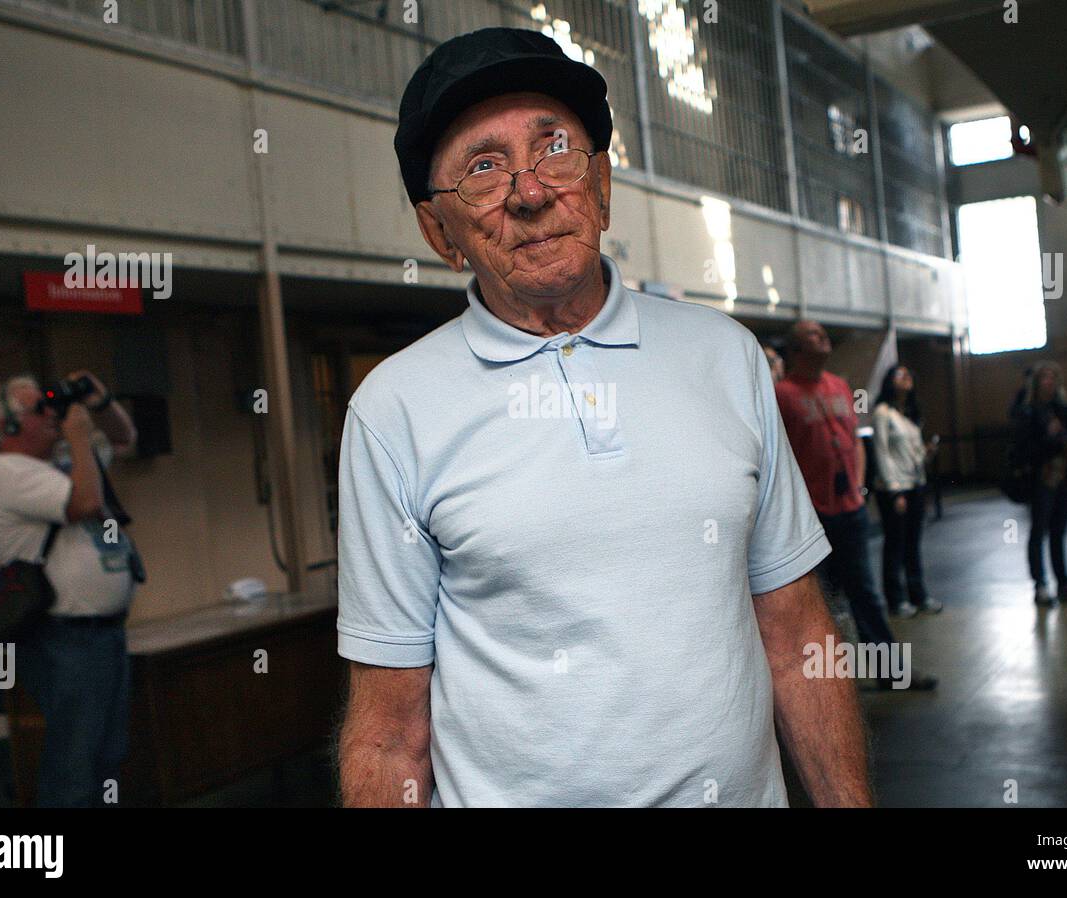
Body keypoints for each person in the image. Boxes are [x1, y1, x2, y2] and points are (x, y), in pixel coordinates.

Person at [336, 27, 874, 808]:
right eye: (483, 168)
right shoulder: (394, 412)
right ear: (438, 232)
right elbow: (388, 736)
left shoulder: (725, 358)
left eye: (554, 147)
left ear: (602, 182)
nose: (529, 191)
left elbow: (797, 642)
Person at [0, 372, 139, 806]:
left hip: (101, 634)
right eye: (38, 409)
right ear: (9, 426)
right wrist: (80, 438)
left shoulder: (63, 460)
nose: (52, 413)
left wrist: (100, 400)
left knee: (107, 756)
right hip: (62, 639)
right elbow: (85, 502)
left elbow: (125, 439)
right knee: (74, 765)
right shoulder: (8, 472)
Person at [774, 320, 937, 690]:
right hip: (814, 516)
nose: (824, 337)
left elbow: (856, 440)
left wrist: (859, 487)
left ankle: (890, 672)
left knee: (866, 594)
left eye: (822, 332)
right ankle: (824, 681)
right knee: (822, 603)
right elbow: (781, 456)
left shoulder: (840, 387)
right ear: (797, 350)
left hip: (849, 509)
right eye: (814, 335)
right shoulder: (782, 395)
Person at [1010, 361, 1067, 606]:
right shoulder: (1028, 411)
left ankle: (1063, 582)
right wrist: (1055, 441)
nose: (1049, 382)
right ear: (1036, 383)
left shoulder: (1063, 409)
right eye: (1044, 378)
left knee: (1059, 532)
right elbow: (1025, 447)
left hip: (1063, 476)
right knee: (1039, 531)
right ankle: (1040, 584)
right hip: (1041, 477)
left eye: (1053, 378)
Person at [871, 365, 942, 617]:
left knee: (913, 544)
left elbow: (913, 454)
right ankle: (896, 599)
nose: (906, 377)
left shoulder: (910, 415)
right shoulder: (883, 413)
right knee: (895, 544)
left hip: (915, 485)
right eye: (900, 375)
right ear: (889, 382)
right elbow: (882, 453)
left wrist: (926, 452)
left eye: (909, 374)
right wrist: (894, 491)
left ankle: (918, 594)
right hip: (894, 488)